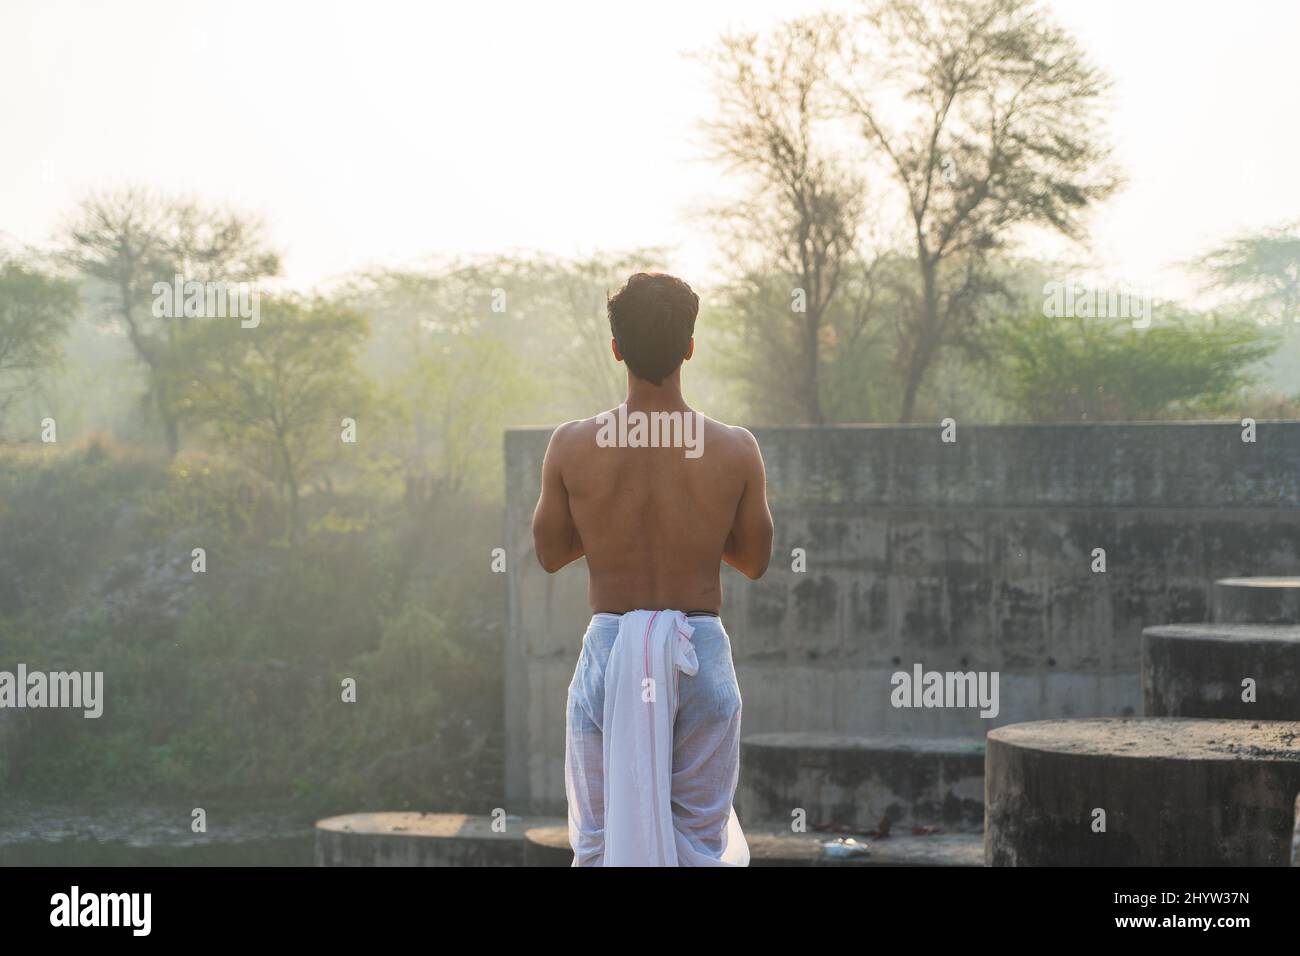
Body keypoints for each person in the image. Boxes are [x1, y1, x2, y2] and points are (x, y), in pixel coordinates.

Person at [531, 271, 773, 866]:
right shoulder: (735, 448)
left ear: (616, 349)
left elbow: (551, 552)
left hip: (612, 653)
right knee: (699, 848)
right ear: (690, 346)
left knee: (600, 843)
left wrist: (617, 527)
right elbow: (755, 560)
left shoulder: (570, 445)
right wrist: (690, 527)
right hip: (700, 654)